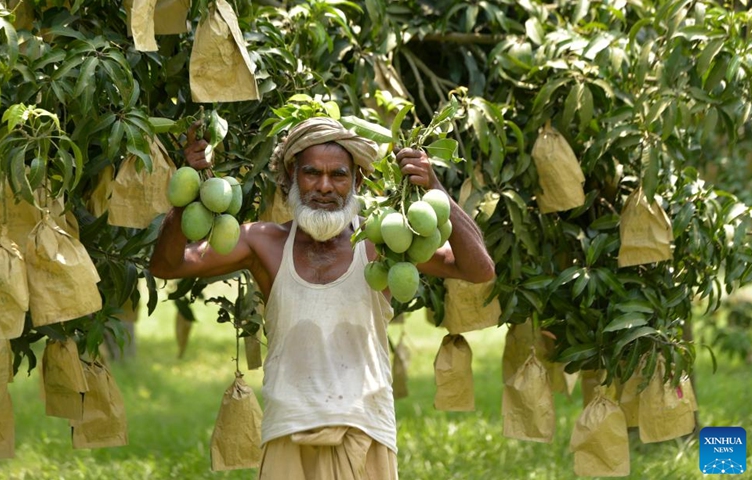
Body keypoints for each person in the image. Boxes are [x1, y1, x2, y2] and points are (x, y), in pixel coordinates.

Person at [149, 117, 495, 479]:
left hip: (364, 431)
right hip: (288, 431)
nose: (325, 187)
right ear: (291, 178)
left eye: (339, 175)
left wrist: (435, 190)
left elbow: (479, 270)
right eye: (312, 173)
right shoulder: (263, 243)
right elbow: (168, 265)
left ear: (357, 181)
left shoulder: (383, 244)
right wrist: (188, 181)